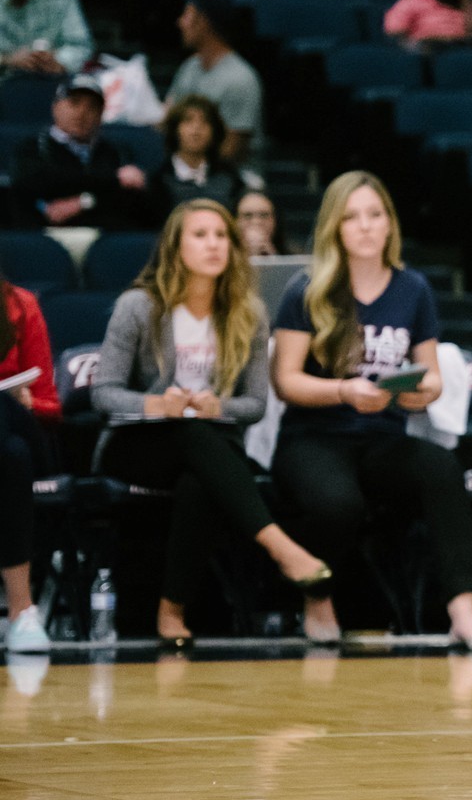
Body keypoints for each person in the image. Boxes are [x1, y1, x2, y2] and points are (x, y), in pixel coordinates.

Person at [269, 171, 472, 651]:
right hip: (314, 437)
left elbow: (431, 374)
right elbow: (285, 380)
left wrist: (421, 393)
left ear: (390, 225)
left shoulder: (412, 289)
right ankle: (316, 596)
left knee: (442, 470)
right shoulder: (306, 290)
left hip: (381, 437)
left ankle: (463, 611)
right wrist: (342, 391)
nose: (366, 226)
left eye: (375, 215)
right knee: (339, 504)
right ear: (335, 227)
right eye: (352, 217)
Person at [91, 199, 332, 647]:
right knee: (198, 442)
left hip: (210, 444)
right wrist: (156, 405)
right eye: (200, 235)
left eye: (222, 235)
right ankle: (281, 547)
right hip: (139, 442)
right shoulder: (138, 306)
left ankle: (171, 610)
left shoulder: (248, 314)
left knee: (201, 477)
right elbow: (103, 394)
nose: (214, 245)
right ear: (174, 247)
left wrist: (215, 407)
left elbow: (255, 404)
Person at [11, 75, 158, 231]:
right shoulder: (33, 147)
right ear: (55, 107)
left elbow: (129, 197)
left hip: (102, 236)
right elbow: (36, 184)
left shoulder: (116, 152)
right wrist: (111, 181)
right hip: (45, 235)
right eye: (74, 103)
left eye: (92, 107)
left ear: (101, 114)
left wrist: (84, 201)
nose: (82, 113)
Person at [0, 265, 59, 652]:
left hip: (25, 429)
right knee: (10, 455)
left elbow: (51, 405)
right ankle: (22, 611)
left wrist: (27, 402)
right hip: (10, 451)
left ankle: (20, 613)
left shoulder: (21, 304)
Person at [165, 0, 263, 167]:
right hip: (187, 170)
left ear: (203, 22)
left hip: (235, 180)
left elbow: (231, 151)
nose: (180, 22)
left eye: (186, 15)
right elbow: (167, 120)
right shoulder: (189, 68)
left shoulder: (240, 78)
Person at [156, 95, 248, 215]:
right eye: (188, 120)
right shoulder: (158, 180)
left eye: (205, 122)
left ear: (214, 131)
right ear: (175, 129)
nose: (196, 128)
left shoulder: (230, 178)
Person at [236, 190, 289, 258]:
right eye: (247, 216)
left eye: (264, 215)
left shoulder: (297, 257)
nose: (256, 222)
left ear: (275, 220)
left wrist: (273, 257)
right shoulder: (222, 255)